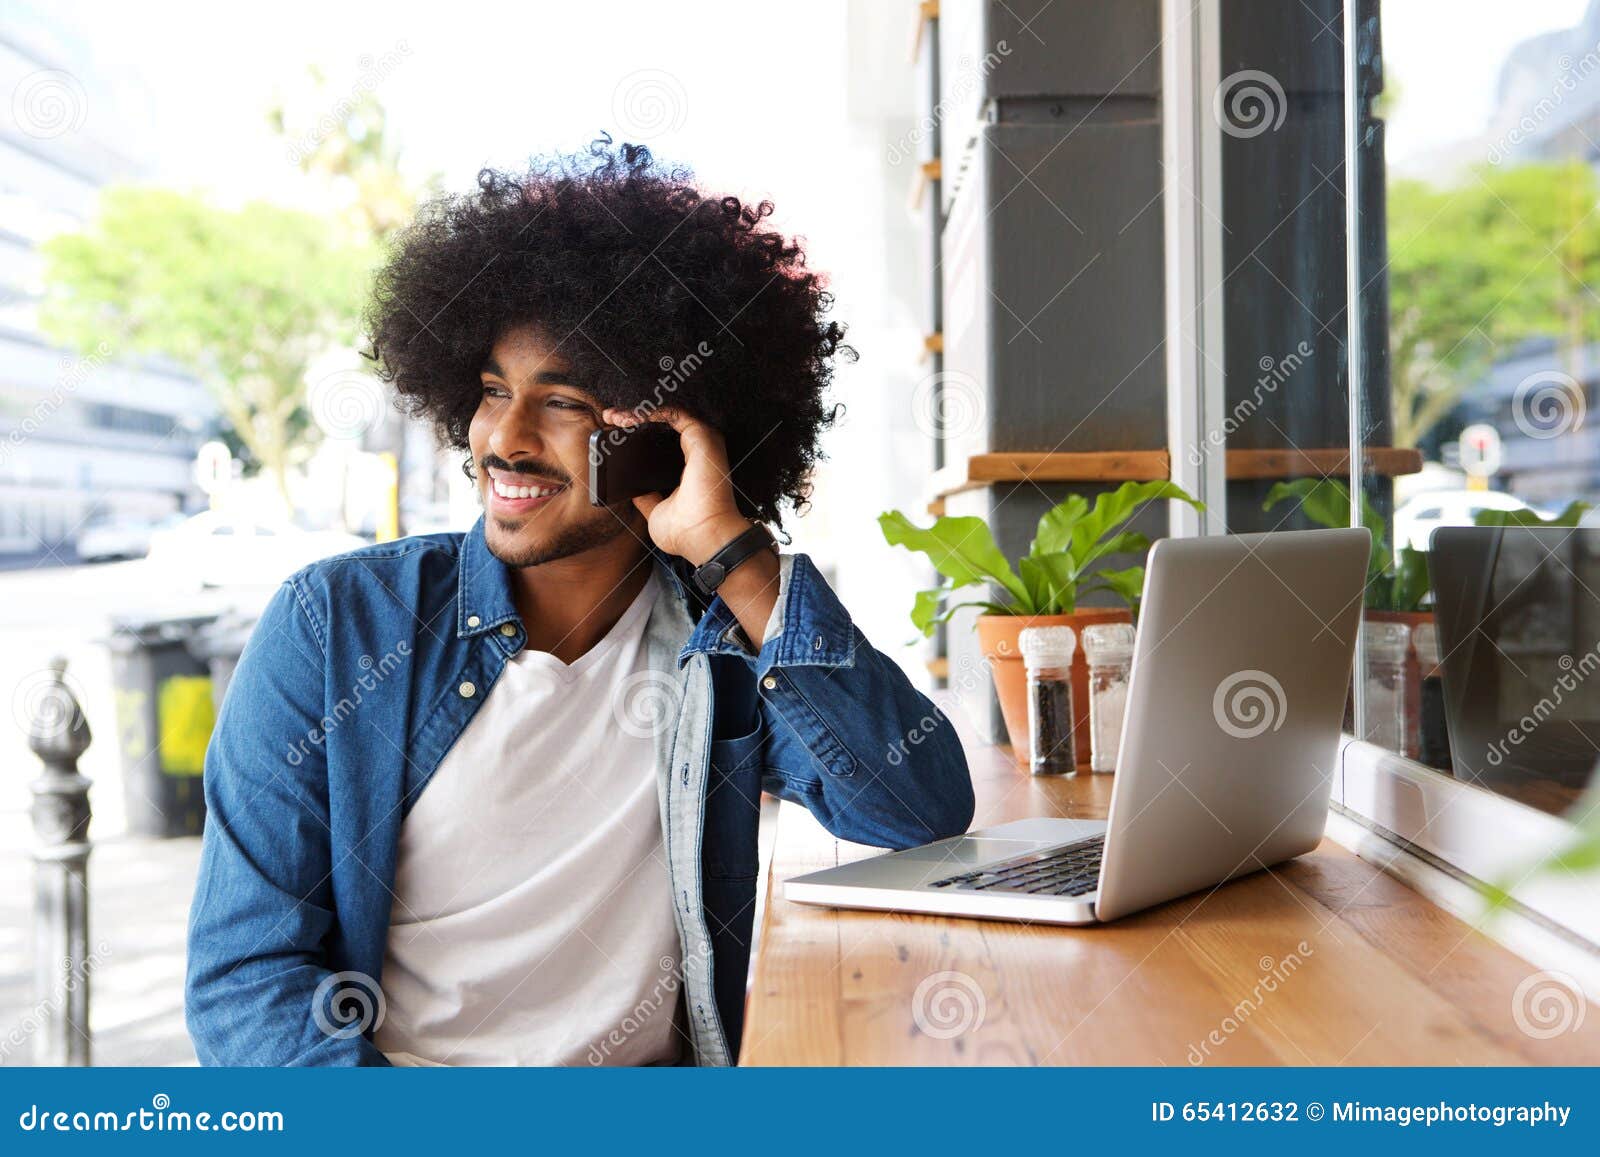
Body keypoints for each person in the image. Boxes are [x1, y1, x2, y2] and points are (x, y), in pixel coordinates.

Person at [185, 137, 974, 1067]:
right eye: (490, 392)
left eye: (562, 402)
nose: (503, 440)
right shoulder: (336, 626)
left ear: (666, 434)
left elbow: (916, 808)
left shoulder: (718, 633)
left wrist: (738, 558)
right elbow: (245, 981)